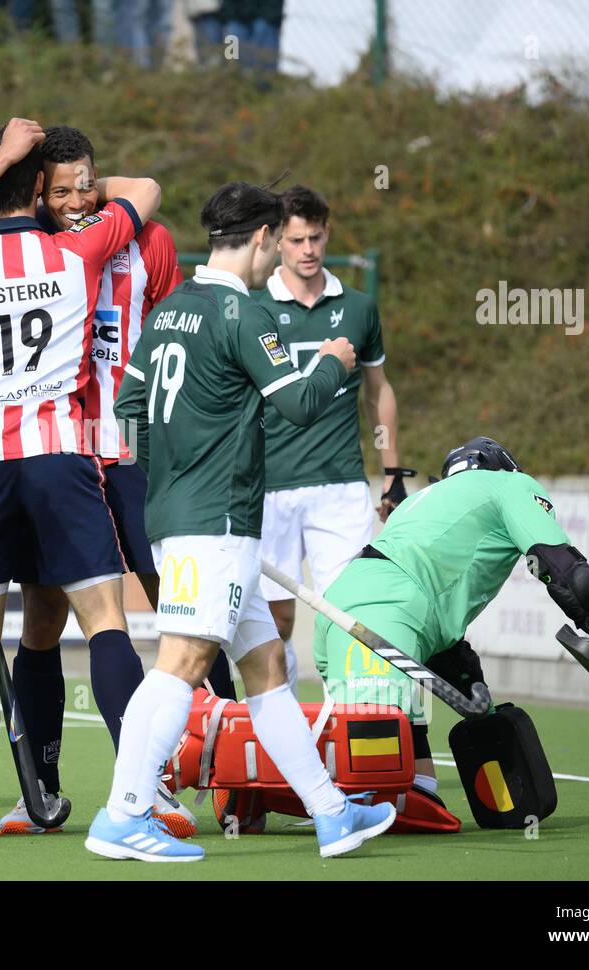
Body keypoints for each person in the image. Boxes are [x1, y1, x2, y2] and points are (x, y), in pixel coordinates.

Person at [90, 182, 395, 861]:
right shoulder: (242, 313)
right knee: (182, 663)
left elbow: (130, 408)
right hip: (214, 520)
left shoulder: (171, 308)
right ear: (262, 239)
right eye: (278, 241)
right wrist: (333, 359)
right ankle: (124, 814)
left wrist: (179, 461)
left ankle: (330, 810)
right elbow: (303, 405)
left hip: (184, 513)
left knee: (264, 670)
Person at [0, 120, 206, 836]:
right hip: (62, 454)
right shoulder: (77, 250)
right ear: (40, 189)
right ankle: (143, 789)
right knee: (107, 623)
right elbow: (145, 192)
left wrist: (11, 166)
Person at [313, 437, 589, 810]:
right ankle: (281, 775)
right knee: (369, 786)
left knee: (417, 786)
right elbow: (572, 578)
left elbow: (433, 627)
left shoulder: (420, 503)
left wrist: (473, 690)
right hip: (383, 612)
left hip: (347, 606)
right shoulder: (510, 485)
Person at [253, 185, 407, 692]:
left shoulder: (360, 308)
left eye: (315, 237)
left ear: (327, 234)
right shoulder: (252, 309)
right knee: (274, 624)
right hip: (267, 488)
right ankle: (283, 735)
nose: (308, 249)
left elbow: (378, 392)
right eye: (296, 239)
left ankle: (354, 730)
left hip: (339, 488)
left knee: (349, 614)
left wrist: (392, 474)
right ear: (277, 241)